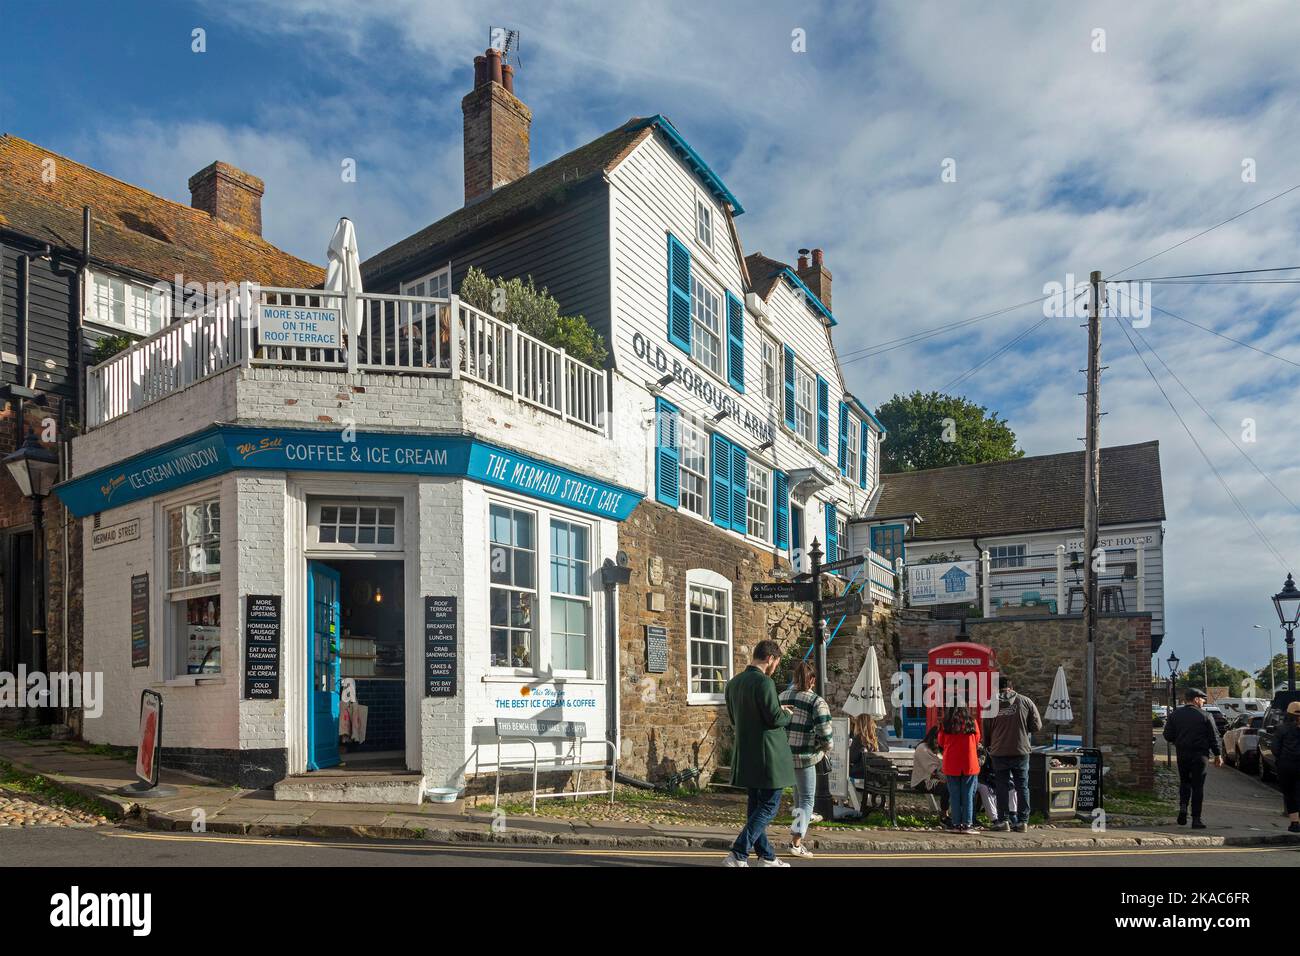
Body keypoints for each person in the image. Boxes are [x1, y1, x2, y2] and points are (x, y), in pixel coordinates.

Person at [723, 640, 796, 867]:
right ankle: (738, 853)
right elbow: (774, 718)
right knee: (768, 806)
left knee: (755, 808)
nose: (774, 668)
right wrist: (787, 714)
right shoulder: (764, 683)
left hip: (747, 754)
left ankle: (767, 856)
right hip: (769, 756)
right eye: (776, 663)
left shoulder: (733, 683)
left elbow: (735, 719)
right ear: (770, 658)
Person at [779, 661, 834, 858]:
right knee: (807, 799)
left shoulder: (782, 696)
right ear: (812, 680)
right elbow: (826, 735)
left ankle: (801, 823)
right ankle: (796, 842)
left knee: (798, 799)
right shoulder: (816, 702)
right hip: (805, 758)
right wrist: (826, 749)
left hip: (785, 757)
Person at [984, 674, 1042, 832]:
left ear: (997, 688)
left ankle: (1003, 821)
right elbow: (1037, 726)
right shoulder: (1025, 701)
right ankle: (1023, 821)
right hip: (1021, 750)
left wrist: (988, 746)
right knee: (1022, 786)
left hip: (999, 751)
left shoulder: (990, 704)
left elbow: (986, 732)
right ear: (1012, 686)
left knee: (1002, 787)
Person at [1162, 687, 1223, 828]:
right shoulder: (1206, 716)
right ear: (1195, 699)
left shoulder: (1175, 715)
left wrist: (1177, 741)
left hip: (1182, 754)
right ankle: (1196, 819)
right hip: (1200, 755)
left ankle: (1183, 807)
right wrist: (1218, 754)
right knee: (1197, 786)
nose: (1203, 702)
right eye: (1202, 699)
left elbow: (1167, 735)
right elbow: (1214, 738)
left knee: (1184, 782)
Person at [938, 703, 982, 834]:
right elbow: (977, 739)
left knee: (954, 795)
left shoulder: (946, 724)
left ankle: (956, 824)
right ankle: (968, 824)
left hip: (952, 763)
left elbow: (940, 742)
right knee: (968, 794)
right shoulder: (972, 722)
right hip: (969, 762)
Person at [911, 724, 949, 824]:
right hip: (923, 781)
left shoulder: (939, 750)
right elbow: (933, 771)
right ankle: (944, 815)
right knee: (947, 788)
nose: (938, 741)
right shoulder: (922, 748)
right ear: (931, 737)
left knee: (955, 787)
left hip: (936, 779)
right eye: (936, 738)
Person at [1273, 700, 1300, 834]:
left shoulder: (1281, 728)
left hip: (1286, 766)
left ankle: (1295, 823)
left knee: (1289, 794)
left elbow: (1275, 749)